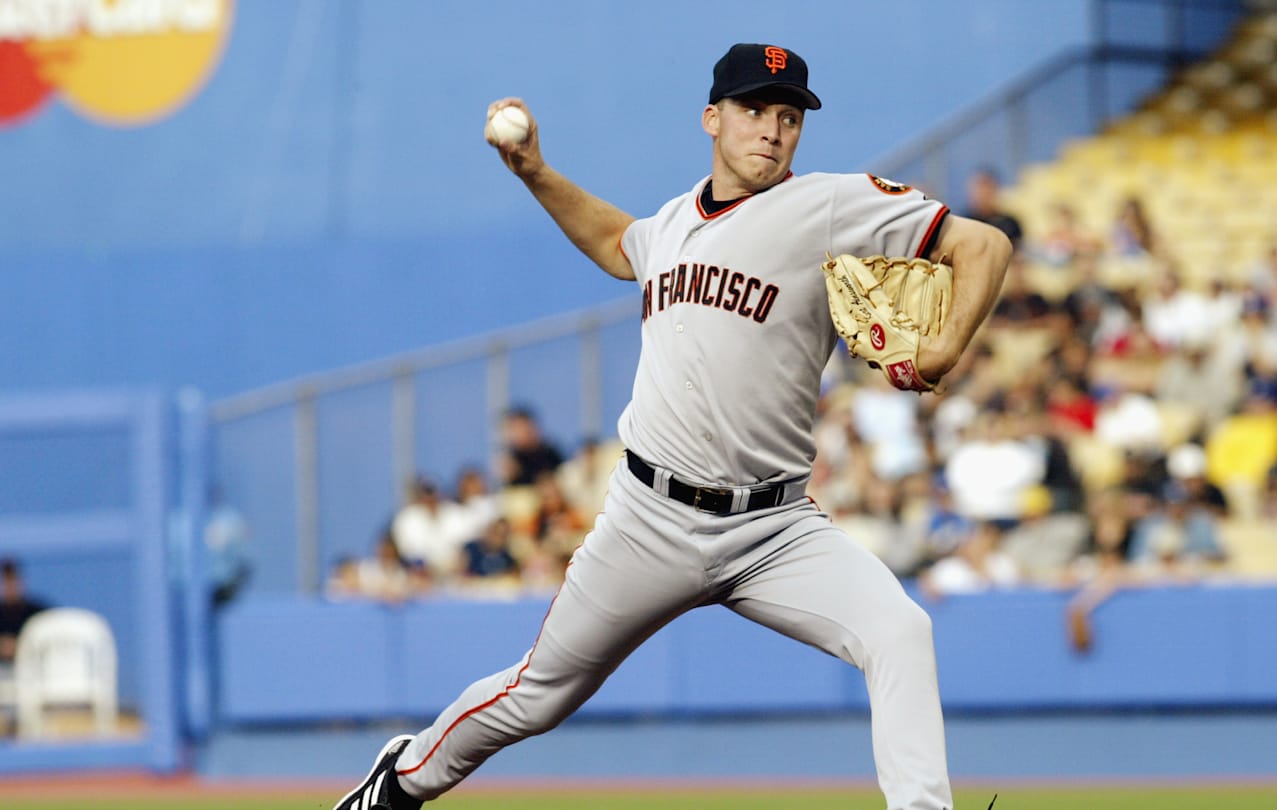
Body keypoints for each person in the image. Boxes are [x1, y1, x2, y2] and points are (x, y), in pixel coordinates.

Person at [333, 42, 1011, 810]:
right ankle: (403, 779)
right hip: (648, 521)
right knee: (539, 694)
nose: (773, 130)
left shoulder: (828, 205)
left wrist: (946, 344)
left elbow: (983, 244)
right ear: (712, 119)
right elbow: (616, 244)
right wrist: (535, 174)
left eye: (788, 116)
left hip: (775, 528)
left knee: (900, 632)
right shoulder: (672, 225)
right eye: (754, 110)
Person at [0, 558, 49, 669]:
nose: (10, 587)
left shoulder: (40, 613)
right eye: (6, 582)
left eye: (13, 580)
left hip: (34, 672)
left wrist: (21, 646)